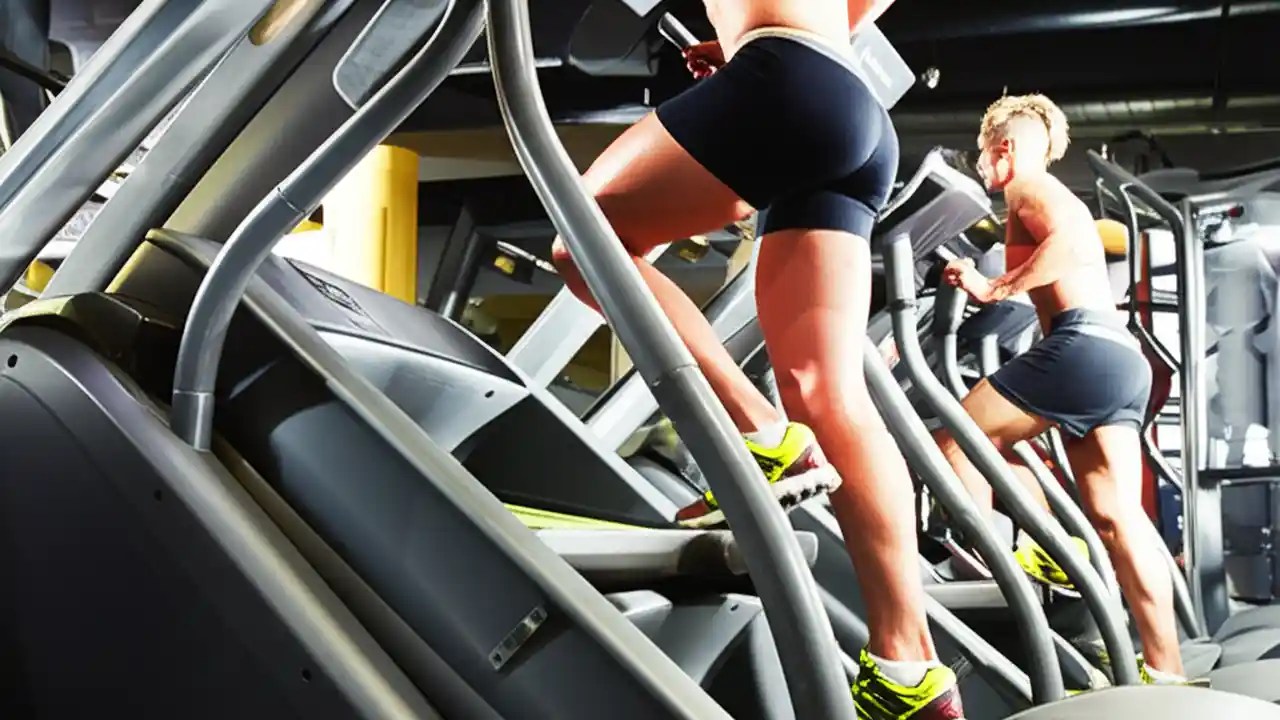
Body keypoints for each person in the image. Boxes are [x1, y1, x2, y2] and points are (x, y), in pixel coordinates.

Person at [549, 1, 964, 717]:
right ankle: (909, 669)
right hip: (851, 99)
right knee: (826, 390)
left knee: (583, 237)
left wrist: (754, 36)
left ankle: (760, 431)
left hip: (786, 76)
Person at [937, 92, 1189, 684]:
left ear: (1003, 147)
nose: (981, 165)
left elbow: (1070, 248)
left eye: (981, 153)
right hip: (1118, 356)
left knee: (957, 442)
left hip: (1082, 347)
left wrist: (993, 288)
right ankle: (1167, 671)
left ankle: (993, 579)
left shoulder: (1028, 188)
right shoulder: (1050, 193)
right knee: (1118, 518)